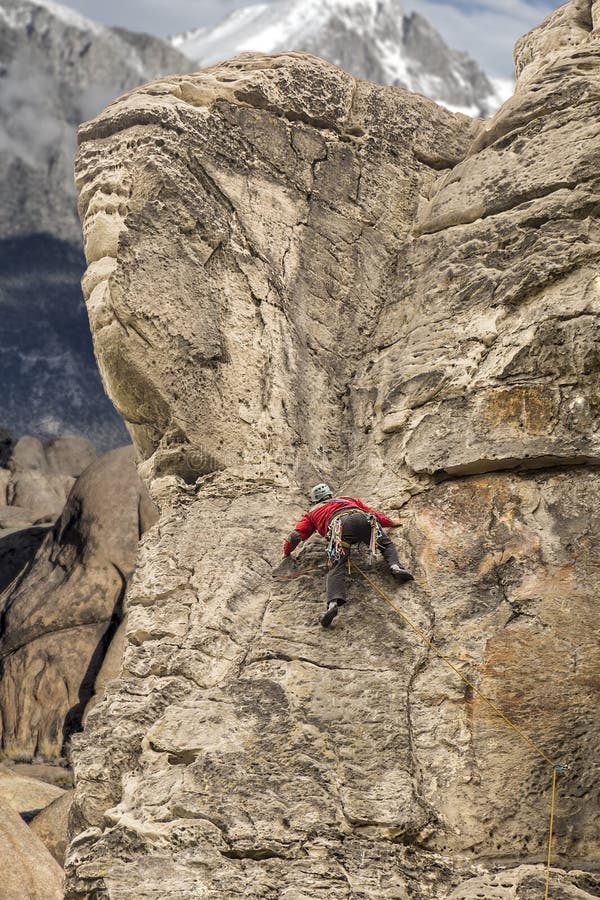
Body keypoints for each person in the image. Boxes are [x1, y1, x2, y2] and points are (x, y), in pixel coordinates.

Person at [283, 483, 413, 627]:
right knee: (385, 544)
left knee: (336, 565)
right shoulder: (348, 500)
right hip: (362, 518)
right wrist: (391, 522)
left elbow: (296, 536)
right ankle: (395, 567)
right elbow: (374, 515)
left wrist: (286, 552)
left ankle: (333, 604)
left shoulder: (313, 512)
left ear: (315, 500)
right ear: (330, 495)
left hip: (340, 527)